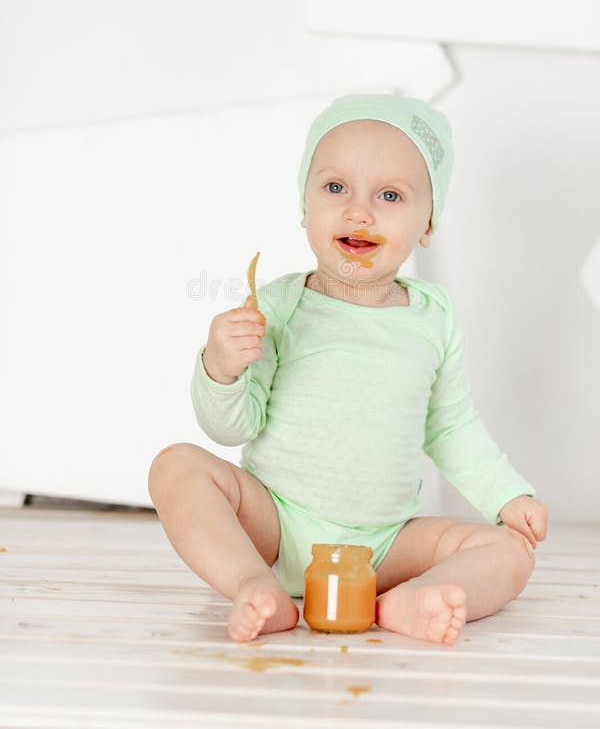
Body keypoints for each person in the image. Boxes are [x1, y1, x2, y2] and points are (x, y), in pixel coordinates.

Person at [148, 93, 548, 646]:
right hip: (276, 529)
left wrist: (507, 496)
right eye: (336, 188)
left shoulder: (433, 318)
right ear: (305, 205)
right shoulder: (279, 306)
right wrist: (221, 368)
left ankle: (406, 602)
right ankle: (250, 584)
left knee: (509, 552)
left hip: (382, 547)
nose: (359, 212)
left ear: (427, 223)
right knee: (176, 467)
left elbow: (450, 427)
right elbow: (232, 428)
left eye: (390, 195)